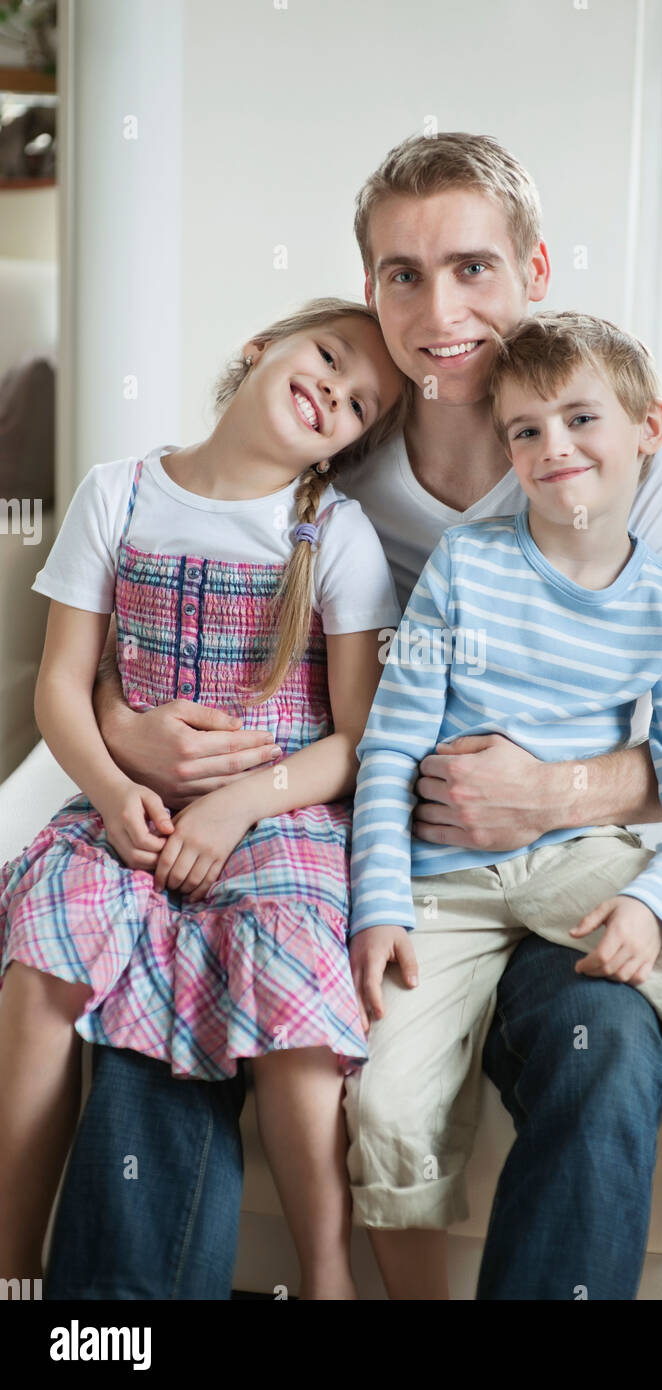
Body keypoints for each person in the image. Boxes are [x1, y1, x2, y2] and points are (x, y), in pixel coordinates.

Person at [47, 133, 662, 1302]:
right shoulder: (338, 439)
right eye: (402, 274)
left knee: (610, 1046)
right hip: (349, 848)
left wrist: (562, 791)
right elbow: (173, 583)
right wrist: (119, 729)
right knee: (174, 994)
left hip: (560, 864)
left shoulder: (618, 451)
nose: (439, 310)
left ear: (535, 269)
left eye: (473, 269)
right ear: (370, 287)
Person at [347, 310, 662, 1302]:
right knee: (380, 1101)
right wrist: (377, 902)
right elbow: (390, 748)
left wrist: (653, 902)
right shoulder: (466, 565)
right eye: (526, 431)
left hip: (578, 857)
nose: (554, 449)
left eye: (581, 419)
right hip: (444, 880)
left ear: (648, 430)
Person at [0, 298, 407, 1300]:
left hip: (276, 815)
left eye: (360, 404)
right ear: (259, 347)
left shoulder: (335, 537)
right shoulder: (120, 491)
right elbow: (60, 685)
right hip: (123, 803)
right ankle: (10, 1266)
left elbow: (354, 740)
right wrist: (109, 782)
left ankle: (325, 1277)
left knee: (289, 963)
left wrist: (235, 808)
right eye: (327, 358)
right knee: (49, 947)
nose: (335, 393)